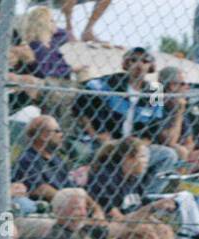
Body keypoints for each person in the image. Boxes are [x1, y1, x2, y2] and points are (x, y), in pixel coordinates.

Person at [86, 136, 192, 239]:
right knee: (147, 232)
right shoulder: (106, 177)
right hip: (110, 226)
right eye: (142, 157)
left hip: (130, 222)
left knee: (164, 229)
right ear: (128, 158)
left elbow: (139, 209)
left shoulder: (134, 179)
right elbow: (118, 218)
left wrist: (156, 213)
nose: (146, 162)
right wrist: (153, 208)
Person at [74, 47, 179, 192]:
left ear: (151, 66)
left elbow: (154, 127)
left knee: (167, 155)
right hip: (106, 143)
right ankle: (123, 200)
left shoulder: (155, 91)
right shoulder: (107, 83)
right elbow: (82, 108)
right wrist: (99, 136)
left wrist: (137, 148)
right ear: (126, 64)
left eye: (145, 61)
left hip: (136, 145)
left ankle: (146, 198)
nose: (139, 65)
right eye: (133, 60)